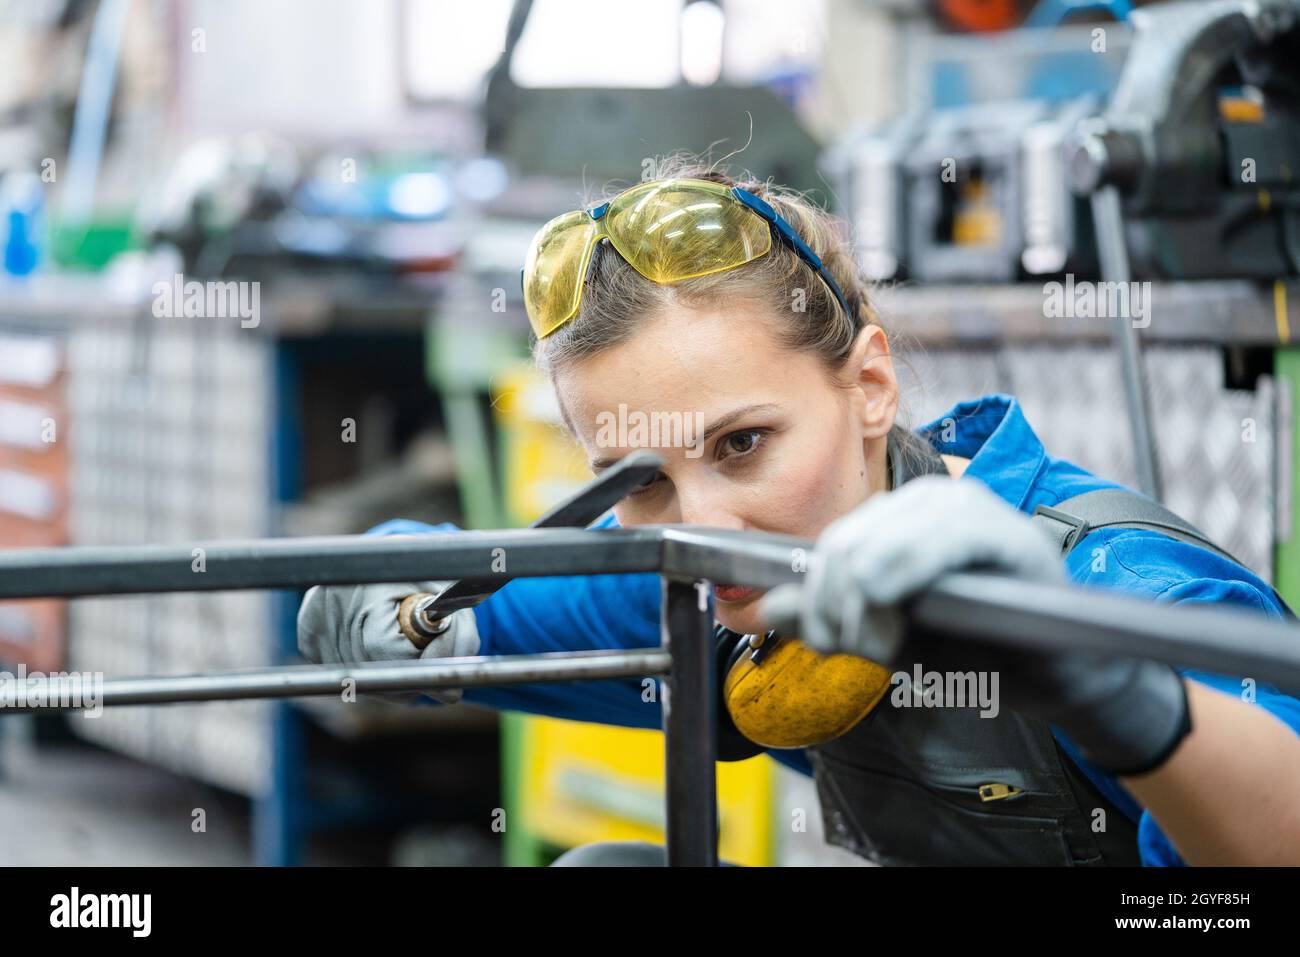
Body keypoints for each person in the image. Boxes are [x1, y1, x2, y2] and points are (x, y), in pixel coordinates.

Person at [298, 157, 1300, 866]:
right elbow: (451, 580)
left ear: (869, 385)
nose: (703, 525)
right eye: (638, 477)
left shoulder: (1118, 586)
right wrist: (386, 592)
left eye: (743, 444)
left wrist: (1106, 686)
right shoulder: (708, 570)